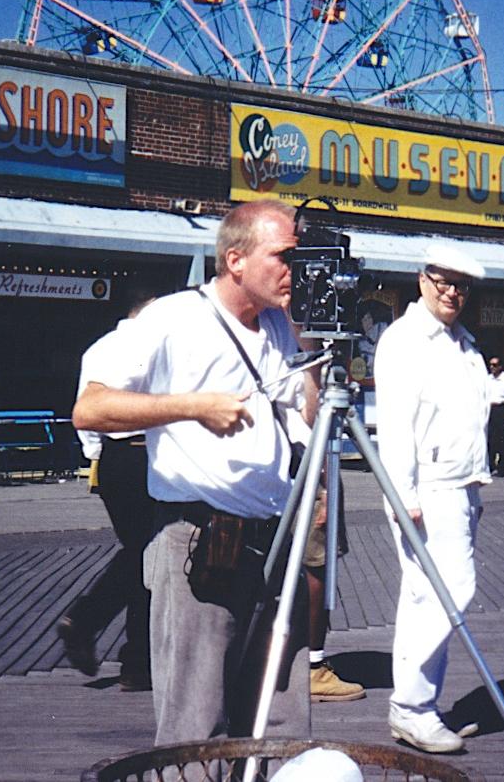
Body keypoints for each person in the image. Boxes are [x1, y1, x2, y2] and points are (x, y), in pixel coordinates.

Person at [71, 199, 318, 745]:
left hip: (274, 542)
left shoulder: (280, 325)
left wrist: (317, 346)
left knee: (280, 721)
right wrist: (193, 406)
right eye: (283, 257)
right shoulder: (175, 318)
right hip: (201, 541)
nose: (294, 272)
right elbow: (91, 408)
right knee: (196, 726)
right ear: (235, 260)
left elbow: (306, 420)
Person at [371, 244, 492, 754]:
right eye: (443, 281)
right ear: (421, 280)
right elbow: (395, 425)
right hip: (428, 491)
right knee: (440, 595)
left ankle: (422, 706)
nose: (452, 293)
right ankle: (411, 708)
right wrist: (403, 495)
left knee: (434, 597)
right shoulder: (405, 341)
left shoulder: (463, 343)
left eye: (461, 285)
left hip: (462, 486)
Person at [57, 293, 158, 692]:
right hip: (145, 454)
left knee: (142, 552)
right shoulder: (151, 345)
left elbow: (85, 409)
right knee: (148, 553)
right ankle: (89, 619)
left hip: (114, 456)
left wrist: (96, 456)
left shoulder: (99, 348)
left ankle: (137, 659)